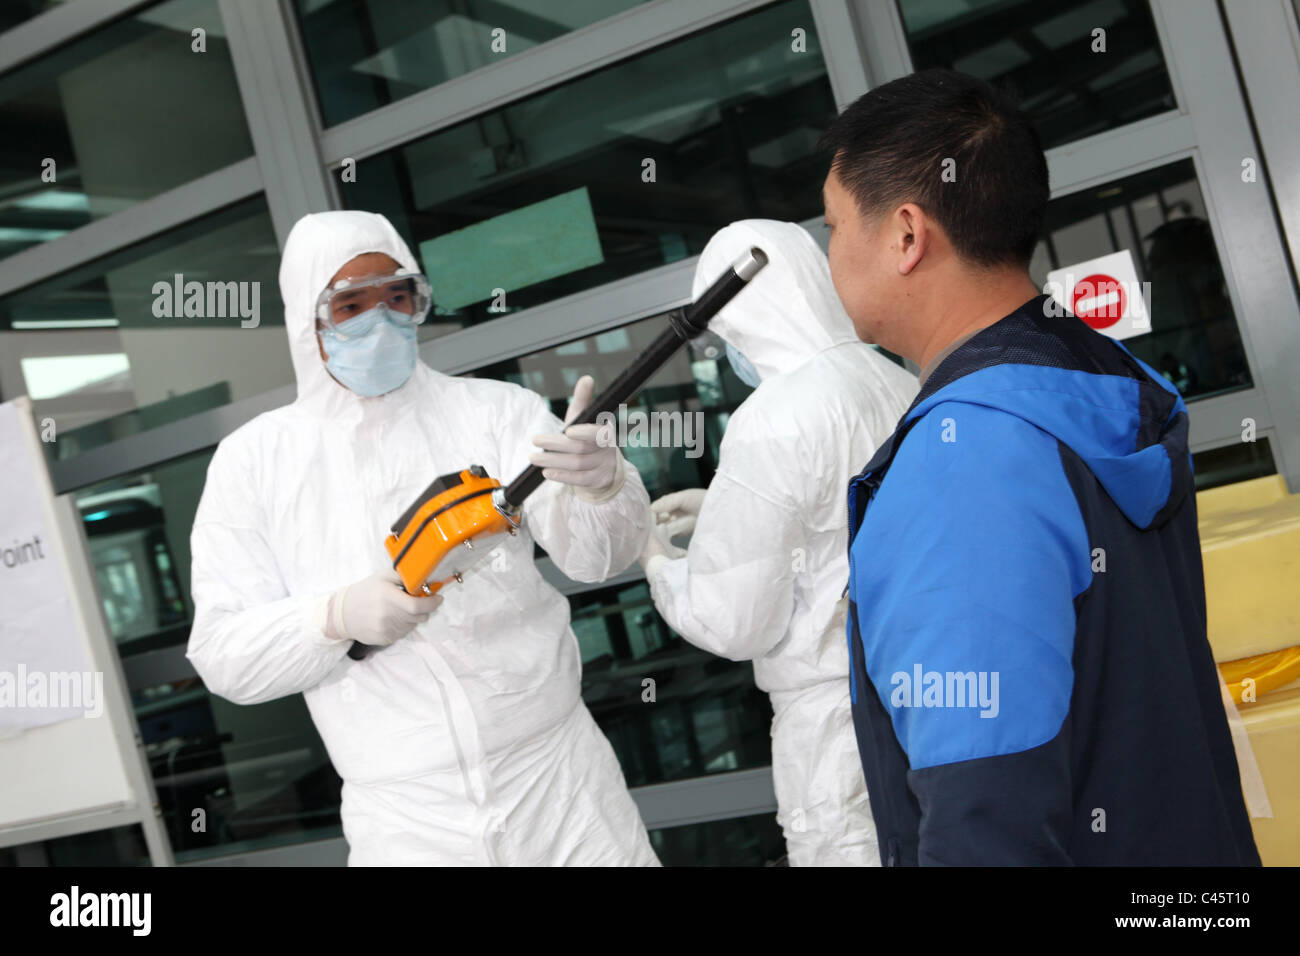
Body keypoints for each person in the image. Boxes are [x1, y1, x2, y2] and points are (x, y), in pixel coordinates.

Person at [819, 69, 1260, 865]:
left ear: (906, 235)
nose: (829, 256)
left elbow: (985, 811)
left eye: (834, 226)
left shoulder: (968, 462)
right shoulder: (1102, 379)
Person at [187, 210, 659, 866]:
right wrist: (334, 617)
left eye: (397, 297)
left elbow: (597, 557)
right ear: (307, 324)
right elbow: (223, 655)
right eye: (349, 305)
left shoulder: (496, 414)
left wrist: (602, 487)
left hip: (560, 783)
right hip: (407, 823)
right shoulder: (256, 465)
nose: (379, 321)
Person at [638, 219, 918, 865]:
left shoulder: (771, 416)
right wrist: (726, 513)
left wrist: (660, 563)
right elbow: (844, 519)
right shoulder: (894, 380)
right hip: (922, 699)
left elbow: (733, 620)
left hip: (838, 732)